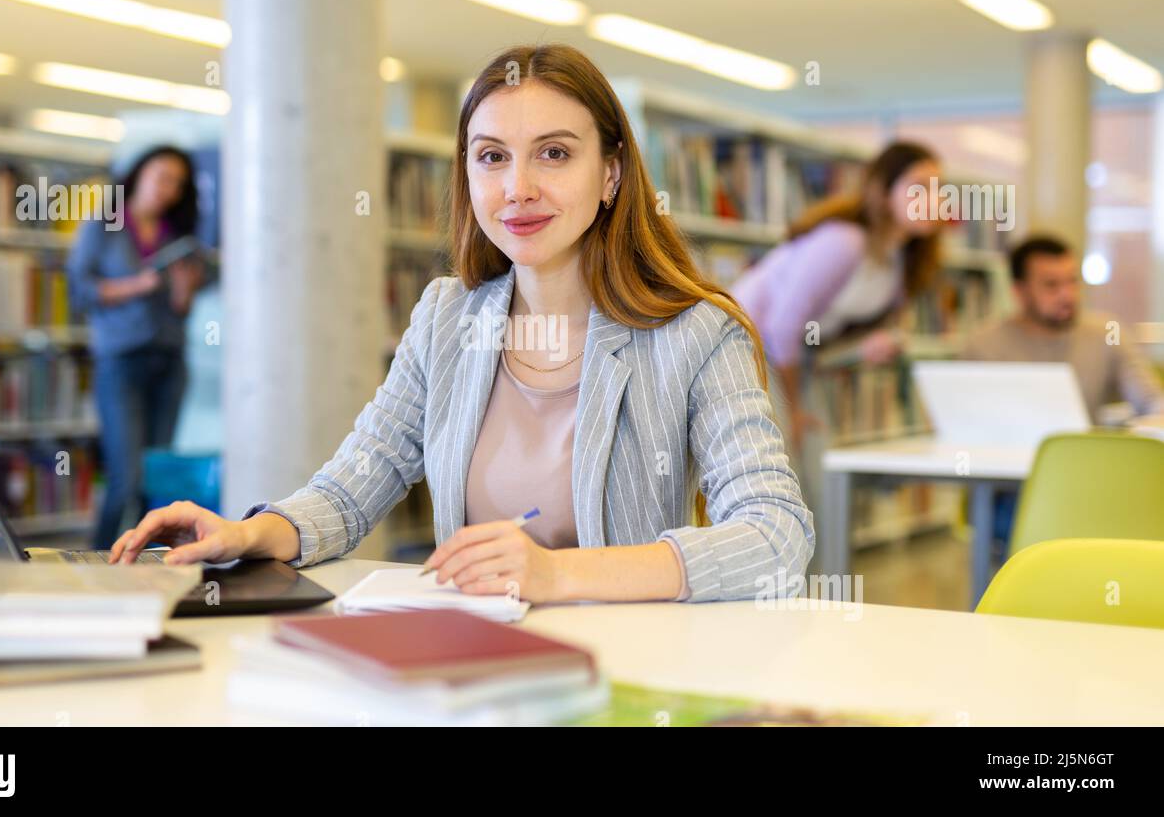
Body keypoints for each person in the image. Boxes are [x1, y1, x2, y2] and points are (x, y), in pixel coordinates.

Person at [110, 43, 814, 605]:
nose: (518, 189)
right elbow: (356, 484)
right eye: (492, 157)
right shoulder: (447, 317)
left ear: (612, 175)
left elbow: (776, 532)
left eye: (556, 153)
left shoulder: (696, 334)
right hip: (474, 669)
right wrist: (250, 532)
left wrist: (557, 575)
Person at [731, 141, 945, 455]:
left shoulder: (899, 264)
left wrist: (863, 349)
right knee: (785, 455)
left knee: (815, 458)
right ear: (884, 191)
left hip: (796, 360)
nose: (935, 199)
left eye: (940, 189)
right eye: (920, 187)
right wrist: (794, 411)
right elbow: (781, 327)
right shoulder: (844, 242)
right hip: (748, 349)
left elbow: (827, 342)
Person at [67, 145, 207, 550]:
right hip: (120, 362)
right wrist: (138, 284)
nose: (168, 189)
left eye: (177, 184)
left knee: (155, 476)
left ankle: (149, 567)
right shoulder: (105, 224)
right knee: (125, 477)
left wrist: (183, 293)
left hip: (168, 362)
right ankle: (93, 564)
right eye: (162, 176)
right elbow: (81, 290)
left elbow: (179, 312)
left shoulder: (178, 237)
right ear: (139, 174)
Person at [961, 234, 1164, 418]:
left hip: (1079, 454)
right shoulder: (982, 345)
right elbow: (963, 413)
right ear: (1019, 292)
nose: (1067, 295)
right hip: (1001, 455)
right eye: (1051, 284)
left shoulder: (1107, 333)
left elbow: (1151, 400)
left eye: (1072, 281)